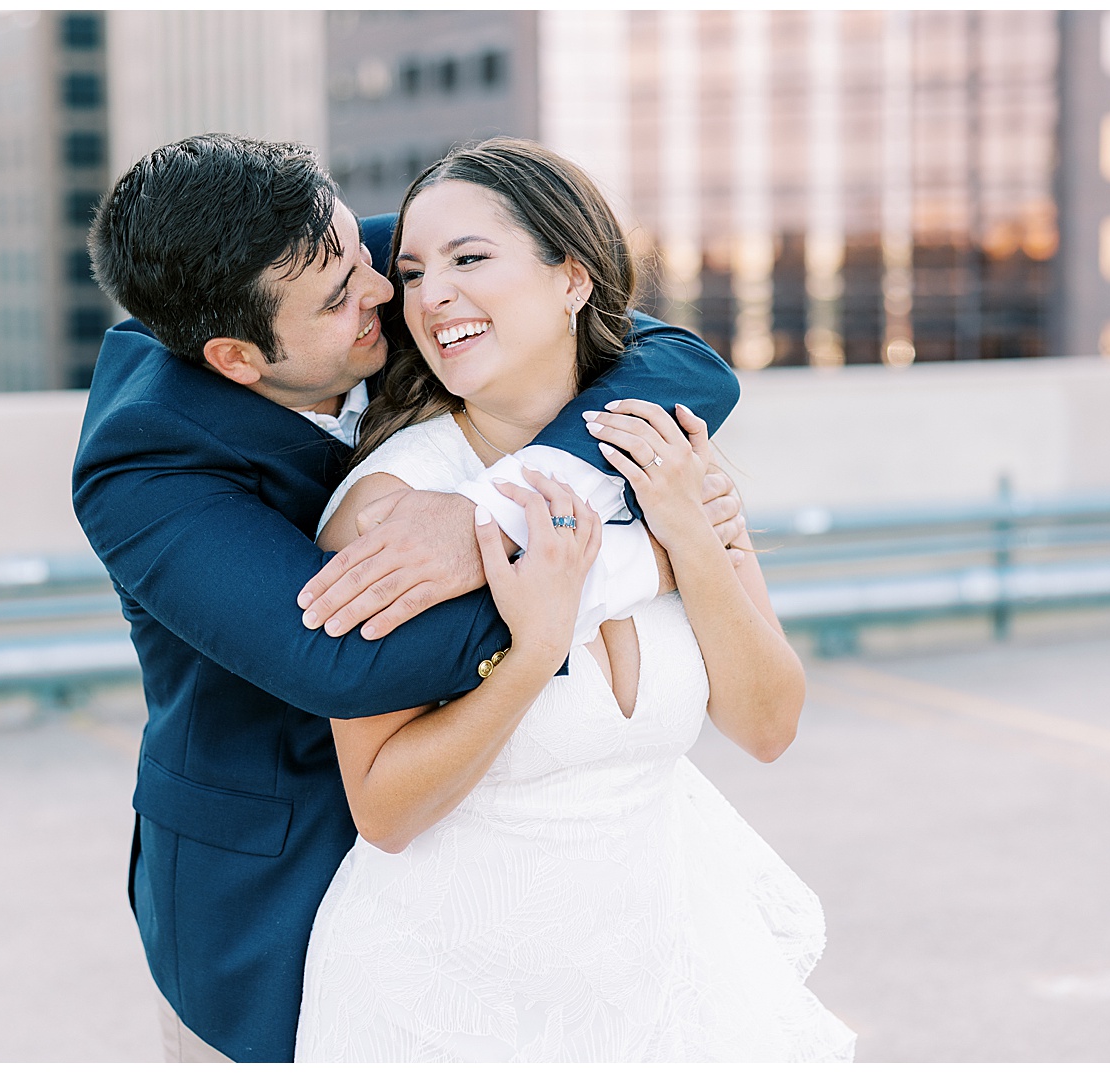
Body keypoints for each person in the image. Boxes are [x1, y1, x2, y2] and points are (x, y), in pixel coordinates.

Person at [73, 133, 747, 1062]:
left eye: (366, 255)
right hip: (271, 891)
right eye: (345, 294)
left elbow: (673, 355)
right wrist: (644, 558)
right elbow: (349, 658)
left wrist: (491, 506)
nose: (390, 294)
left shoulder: (329, 259)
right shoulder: (145, 471)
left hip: (490, 865)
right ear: (236, 357)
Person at [294, 138, 856, 1062]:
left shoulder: (667, 455)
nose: (431, 295)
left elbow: (766, 725)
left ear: (573, 279)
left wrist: (691, 541)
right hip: (449, 1000)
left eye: (470, 258)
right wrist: (533, 647)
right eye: (414, 272)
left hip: (668, 977)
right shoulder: (393, 509)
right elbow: (385, 810)